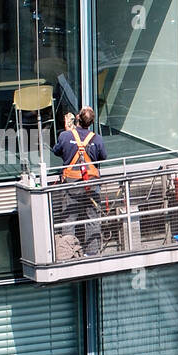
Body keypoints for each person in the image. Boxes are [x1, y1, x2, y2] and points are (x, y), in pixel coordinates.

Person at [51, 107, 108, 257]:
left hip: (72, 184)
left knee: (69, 219)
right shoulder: (97, 139)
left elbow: (56, 151)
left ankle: (68, 254)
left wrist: (68, 132)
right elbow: (103, 156)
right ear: (92, 122)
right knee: (92, 218)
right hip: (91, 183)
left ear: (77, 118)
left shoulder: (64, 136)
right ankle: (92, 253)